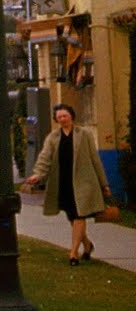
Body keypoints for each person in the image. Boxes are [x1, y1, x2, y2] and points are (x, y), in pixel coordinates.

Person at [25, 103, 113, 265]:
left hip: (83, 182)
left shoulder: (84, 134)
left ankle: (73, 253)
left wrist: (104, 184)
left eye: (64, 116)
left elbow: (95, 159)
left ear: (71, 116)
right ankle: (87, 245)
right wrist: (38, 174)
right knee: (72, 217)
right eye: (59, 117)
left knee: (79, 216)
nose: (62, 119)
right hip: (63, 182)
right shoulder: (53, 137)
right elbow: (45, 157)